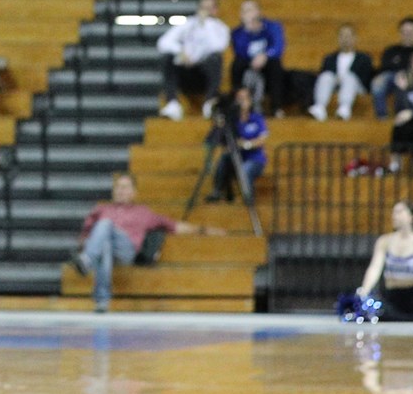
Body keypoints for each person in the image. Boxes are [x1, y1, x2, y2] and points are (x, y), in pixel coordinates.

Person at [70, 172, 219, 313]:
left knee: (105, 224)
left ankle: (87, 260)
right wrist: (84, 243)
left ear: (134, 193)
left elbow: (173, 225)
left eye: (125, 187)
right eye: (118, 187)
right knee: (104, 244)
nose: (120, 191)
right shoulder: (102, 209)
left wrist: (204, 230)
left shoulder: (143, 212)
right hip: (104, 249)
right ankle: (102, 301)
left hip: (126, 250)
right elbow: (86, 233)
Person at [155, 0, 229, 120]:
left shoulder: (220, 28)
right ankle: (173, 104)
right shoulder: (188, 24)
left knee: (215, 59)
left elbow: (218, 46)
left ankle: (210, 102)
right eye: (203, 8)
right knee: (167, 58)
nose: (205, 12)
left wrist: (207, 24)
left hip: (204, 75)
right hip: (186, 72)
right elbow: (163, 42)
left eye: (209, 8)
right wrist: (181, 51)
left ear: (215, 10)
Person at [209, 87, 267, 202]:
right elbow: (225, 141)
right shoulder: (232, 120)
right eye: (239, 98)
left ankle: (248, 198)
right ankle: (217, 191)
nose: (242, 102)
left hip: (254, 158)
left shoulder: (256, 118)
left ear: (250, 101)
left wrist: (246, 144)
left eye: (245, 98)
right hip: (236, 156)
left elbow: (262, 139)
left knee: (245, 169)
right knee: (223, 159)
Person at [229, 0, 287, 113]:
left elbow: (278, 46)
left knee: (276, 65)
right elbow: (240, 51)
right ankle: (238, 104)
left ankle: (276, 107)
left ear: (258, 11)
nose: (247, 14)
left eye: (250, 10)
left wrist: (265, 55)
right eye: (244, 11)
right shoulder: (237, 32)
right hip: (248, 62)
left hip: (268, 61)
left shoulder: (272, 26)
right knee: (236, 65)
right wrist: (247, 30)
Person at [310, 24, 375, 122]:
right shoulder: (329, 58)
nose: (345, 39)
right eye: (342, 36)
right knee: (326, 76)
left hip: (356, 87)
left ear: (355, 38)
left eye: (348, 36)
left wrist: (345, 79)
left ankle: (344, 107)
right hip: (334, 86)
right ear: (338, 38)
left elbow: (366, 77)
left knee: (349, 77)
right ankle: (320, 106)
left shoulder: (364, 58)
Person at [371, 18, 413, 119]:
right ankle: (381, 117)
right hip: (390, 78)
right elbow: (383, 68)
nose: (407, 35)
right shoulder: (390, 50)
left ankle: (403, 115)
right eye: (404, 32)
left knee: (403, 80)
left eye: (410, 32)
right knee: (378, 82)